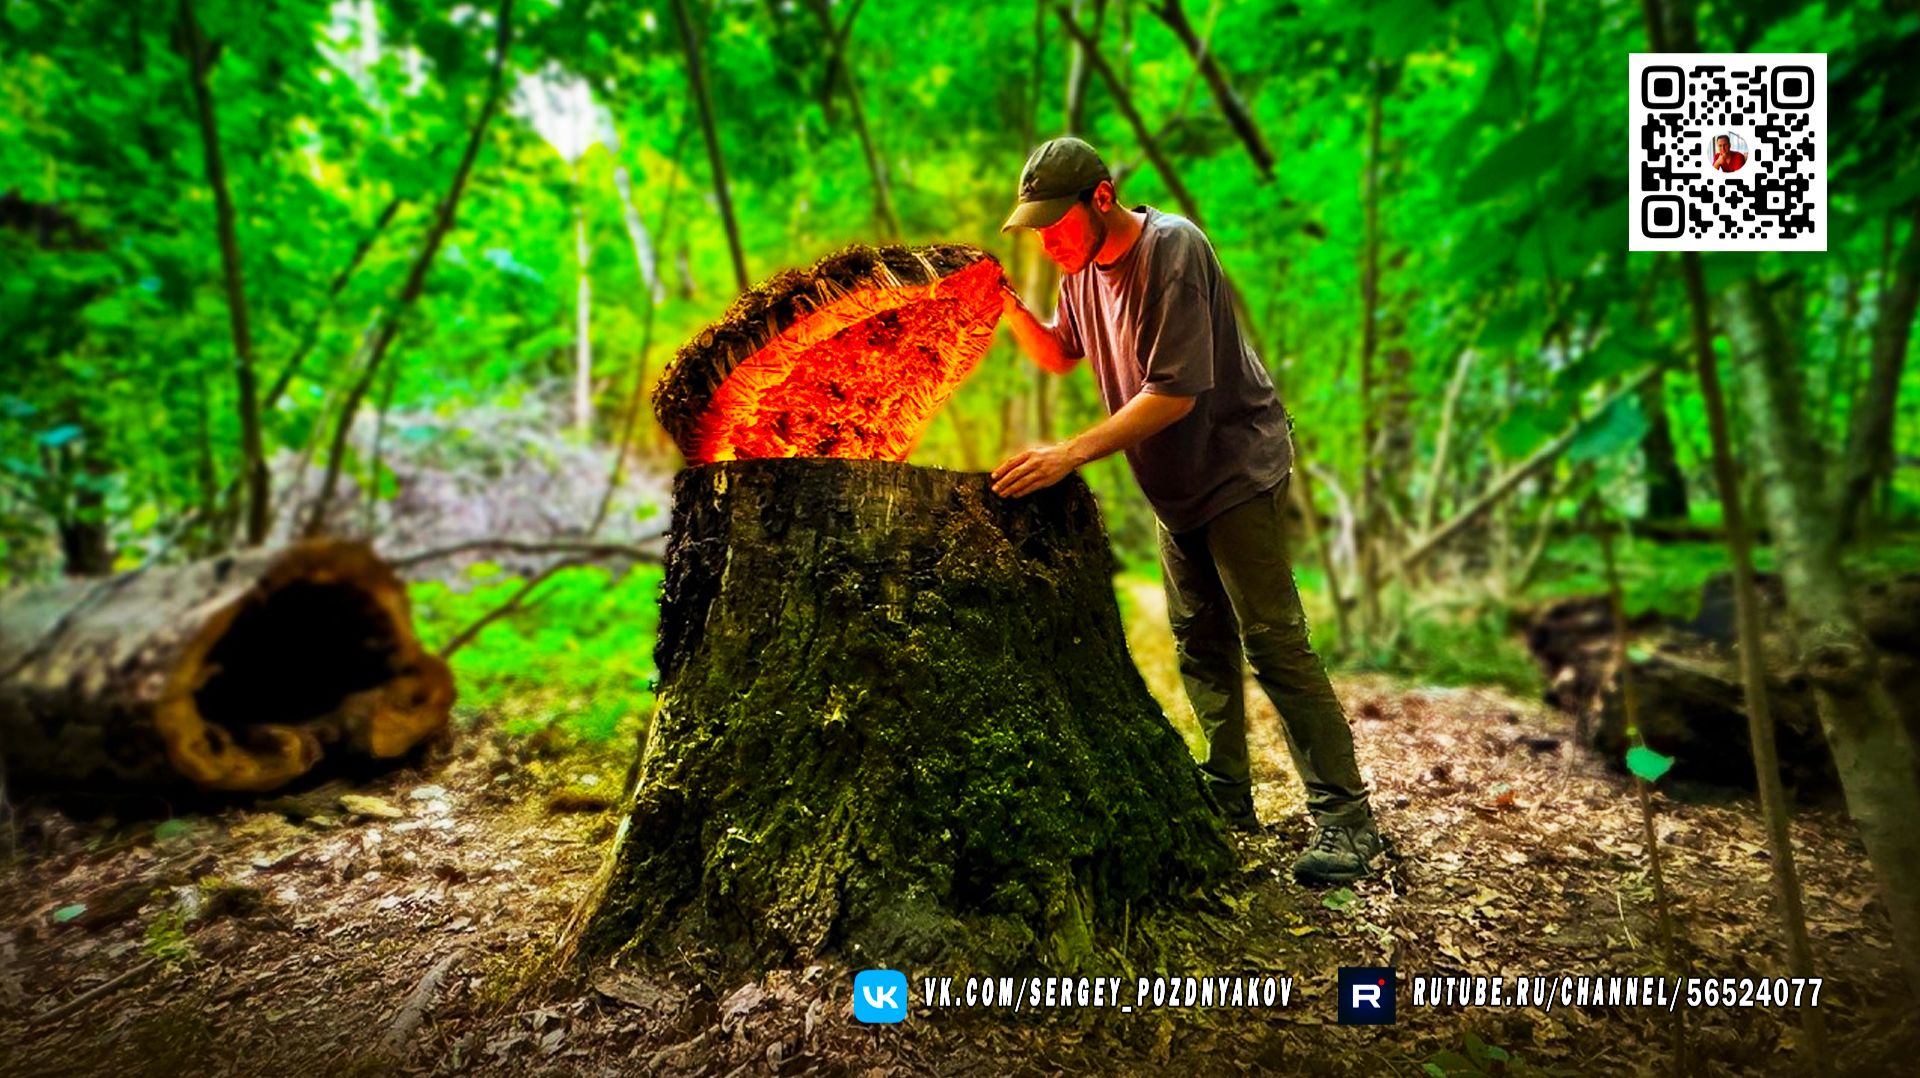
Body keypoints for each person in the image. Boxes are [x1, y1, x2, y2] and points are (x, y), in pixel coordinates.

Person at [991, 136, 1385, 886]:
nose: (1048, 242)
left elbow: (1174, 393)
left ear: (1100, 199)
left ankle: (1347, 821)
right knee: (1199, 643)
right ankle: (1227, 796)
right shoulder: (1078, 273)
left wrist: (1068, 453)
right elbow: (1056, 353)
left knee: (1273, 643)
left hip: (1235, 469)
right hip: (1175, 488)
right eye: (1035, 230)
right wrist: (1001, 302)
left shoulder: (1174, 252)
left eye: (1055, 224)